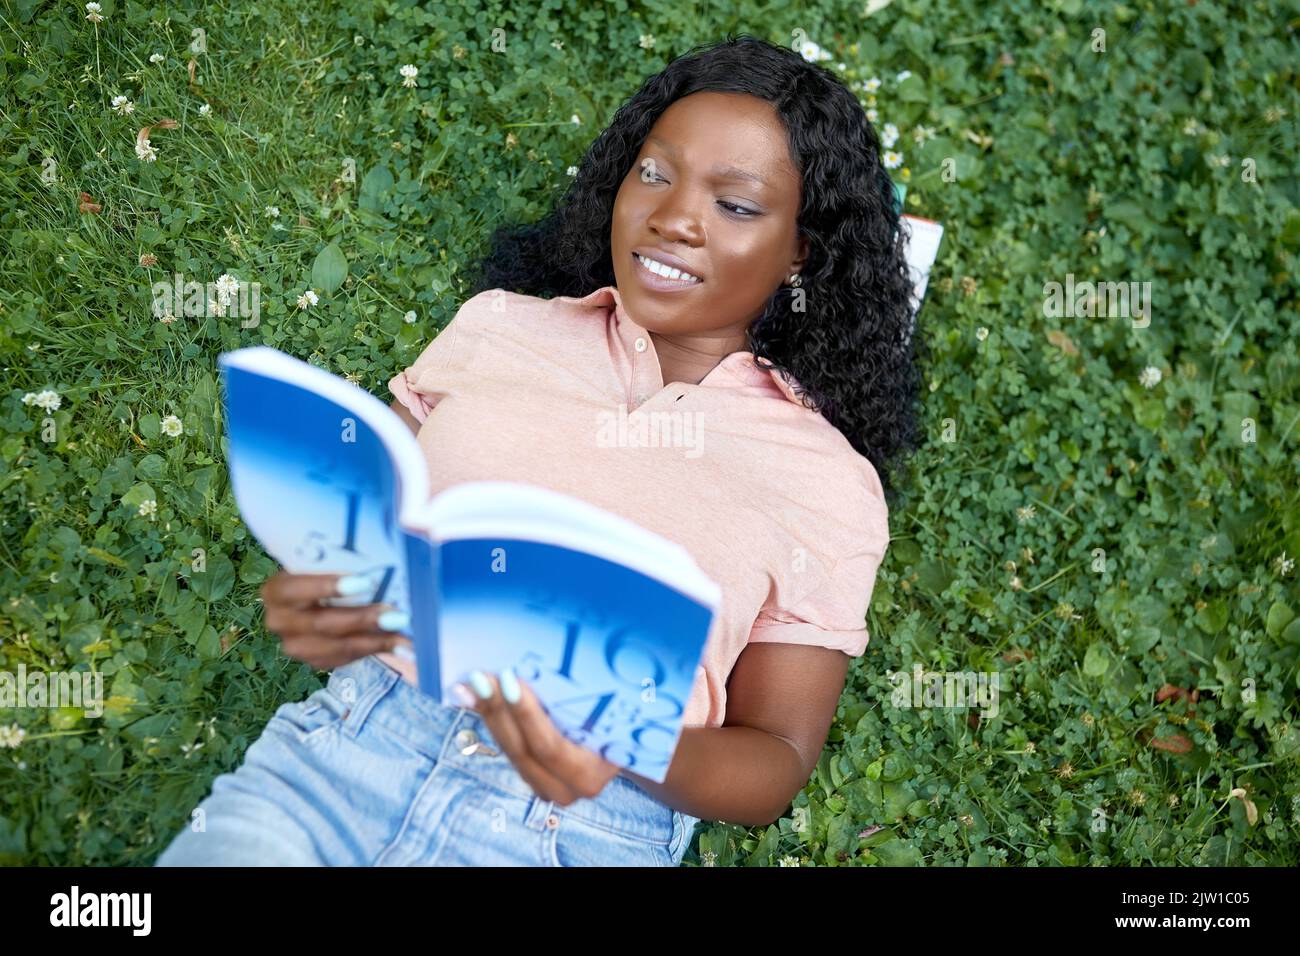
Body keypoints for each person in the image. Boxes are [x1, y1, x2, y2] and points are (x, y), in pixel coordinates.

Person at [155, 33, 923, 867]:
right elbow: (368, 534)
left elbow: (773, 758)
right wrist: (327, 605)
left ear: (801, 251)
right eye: (655, 174)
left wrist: (623, 744)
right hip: (345, 753)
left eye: (736, 205)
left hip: (584, 824)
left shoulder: (826, 479)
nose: (672, 218)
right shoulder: (502, 326)